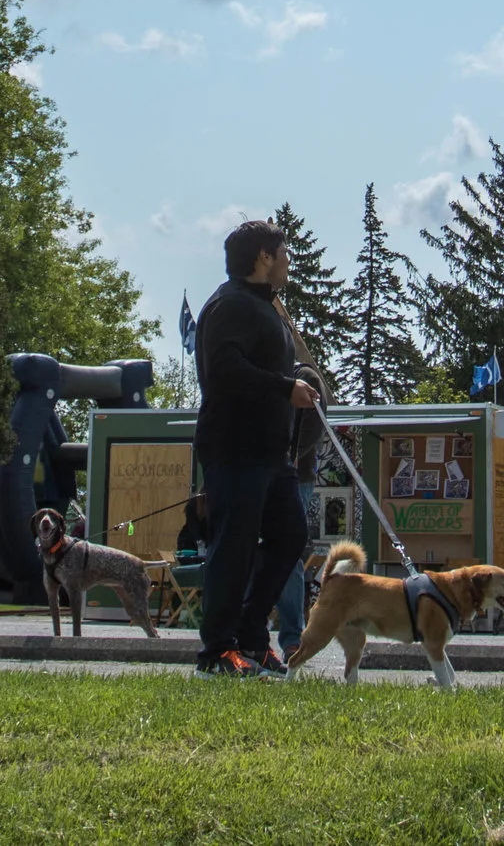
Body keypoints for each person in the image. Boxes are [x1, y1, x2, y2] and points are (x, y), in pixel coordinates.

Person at [190, 217, 320, 681]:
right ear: (263, 258)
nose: (288, 264)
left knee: (290, 535)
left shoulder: (268, 307)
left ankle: (250, 636)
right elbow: (223, 370)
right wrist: (286, 388)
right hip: (233, 449)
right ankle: (216, 652)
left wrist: (296, 385)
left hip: (272, 455)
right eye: (283, 255)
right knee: (234, 549)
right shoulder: (229, 305)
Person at [272, 360, 330, 657]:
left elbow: (314, 425)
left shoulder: (305, 377)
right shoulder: (270, 376)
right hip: (264, 473)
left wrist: (290, 456)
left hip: (295, 478)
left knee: (287, 553)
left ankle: (292, 637)